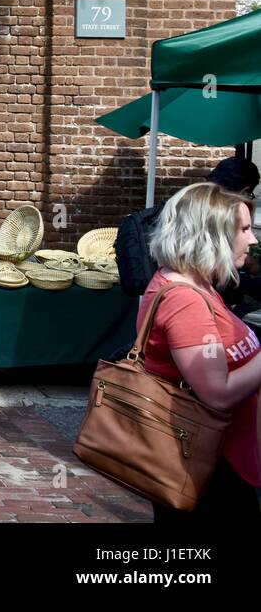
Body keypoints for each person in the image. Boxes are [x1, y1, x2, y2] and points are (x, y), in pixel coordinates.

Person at [139, 181, 261, 523]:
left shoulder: (197, 285)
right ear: (212, 234)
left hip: (213, 461)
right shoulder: (184, 300)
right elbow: (217, 393)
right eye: (245, 229)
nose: (252, 239)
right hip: (202, 468)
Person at [117, 156, 260, 307]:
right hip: (188, 304)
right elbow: (208, 273)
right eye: (244, 229)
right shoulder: (203, 217)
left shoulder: (183, 205)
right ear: (243, 190)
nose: (253, 239)